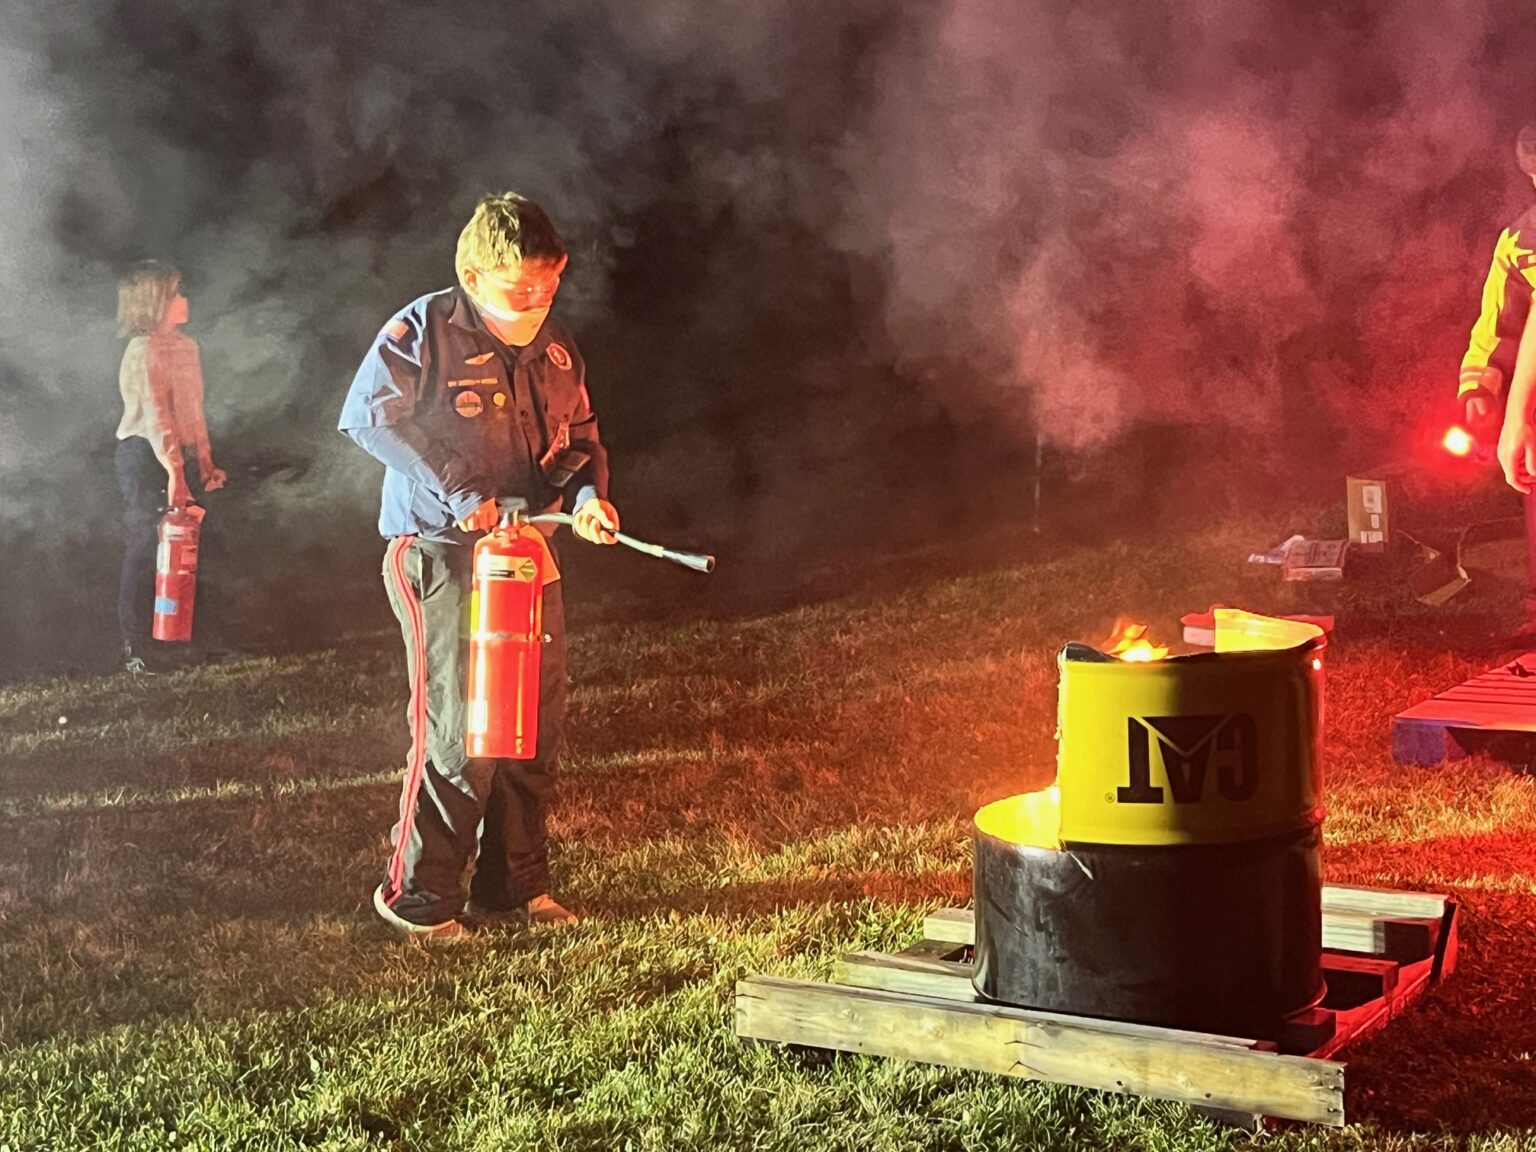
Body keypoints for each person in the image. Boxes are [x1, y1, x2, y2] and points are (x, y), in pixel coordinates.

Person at [339, 192, 620, 938]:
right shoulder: (423, 329)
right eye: (519, 287)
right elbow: (369, 417)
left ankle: (515, 887)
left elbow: (583, 438)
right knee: (462, 734)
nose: (536, 300)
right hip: (440, 551)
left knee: (533, 728)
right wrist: (463, 491)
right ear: (472, 272)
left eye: (549, 285)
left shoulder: (556, 347)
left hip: (528, 556)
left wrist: (590, 499)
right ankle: (420, 902)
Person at [114, 260, 226, 674]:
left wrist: (206, 461)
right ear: (154, 300)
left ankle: (181, 637)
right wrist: (176, 476)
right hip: (145, 456)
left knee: (187, 548)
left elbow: (192, 410)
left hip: (176, 454)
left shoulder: (186, 347)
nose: (185, 299)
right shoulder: (143, 350)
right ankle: (137, 647)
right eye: (176, 292)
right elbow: (157, 418)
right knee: (147, 545)